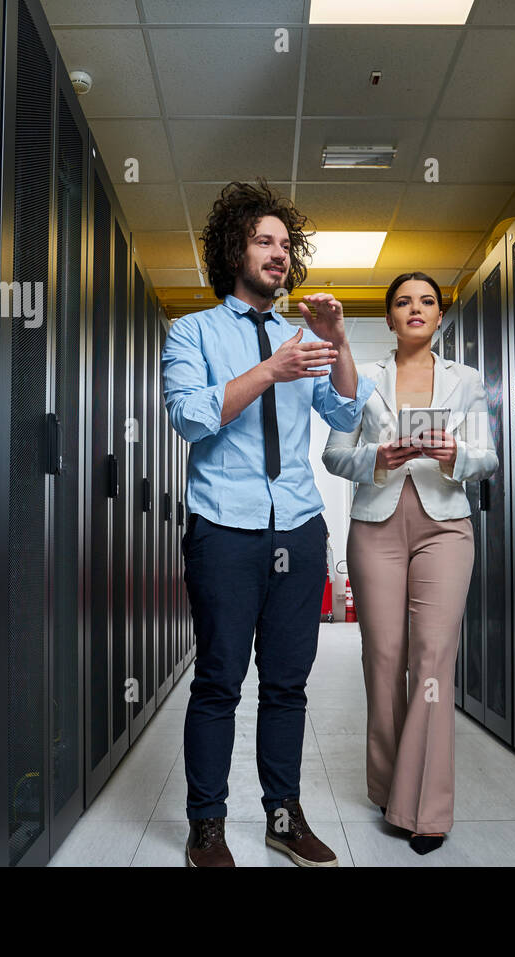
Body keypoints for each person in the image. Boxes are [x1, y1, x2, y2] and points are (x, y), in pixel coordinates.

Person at [161, 178, 376, 867]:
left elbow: (347, 414)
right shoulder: (191, 331)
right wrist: (269, 369)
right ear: (235, 250)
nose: (278, 253)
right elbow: (191, 416)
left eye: (286, 244)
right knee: (220, 677)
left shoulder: (304, 336)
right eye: (264, 241)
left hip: (299, 526)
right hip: (223, 525)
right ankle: (207, 825)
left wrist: (335, 339)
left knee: (288, 681)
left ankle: (284, 816)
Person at [321, 272, 499, 854]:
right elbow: (334, 453)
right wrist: (380, 454)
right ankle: (387, 787)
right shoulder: (362, 379)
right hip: (377, 524)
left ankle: (425, 809)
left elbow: (488, 457)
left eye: (427, 301)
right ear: (391, 319)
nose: (415, 309)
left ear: (440, 317)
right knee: (384, 659)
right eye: (403, 302)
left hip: (445, 525)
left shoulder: (466, 380)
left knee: (432, 660)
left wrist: (457, 456)